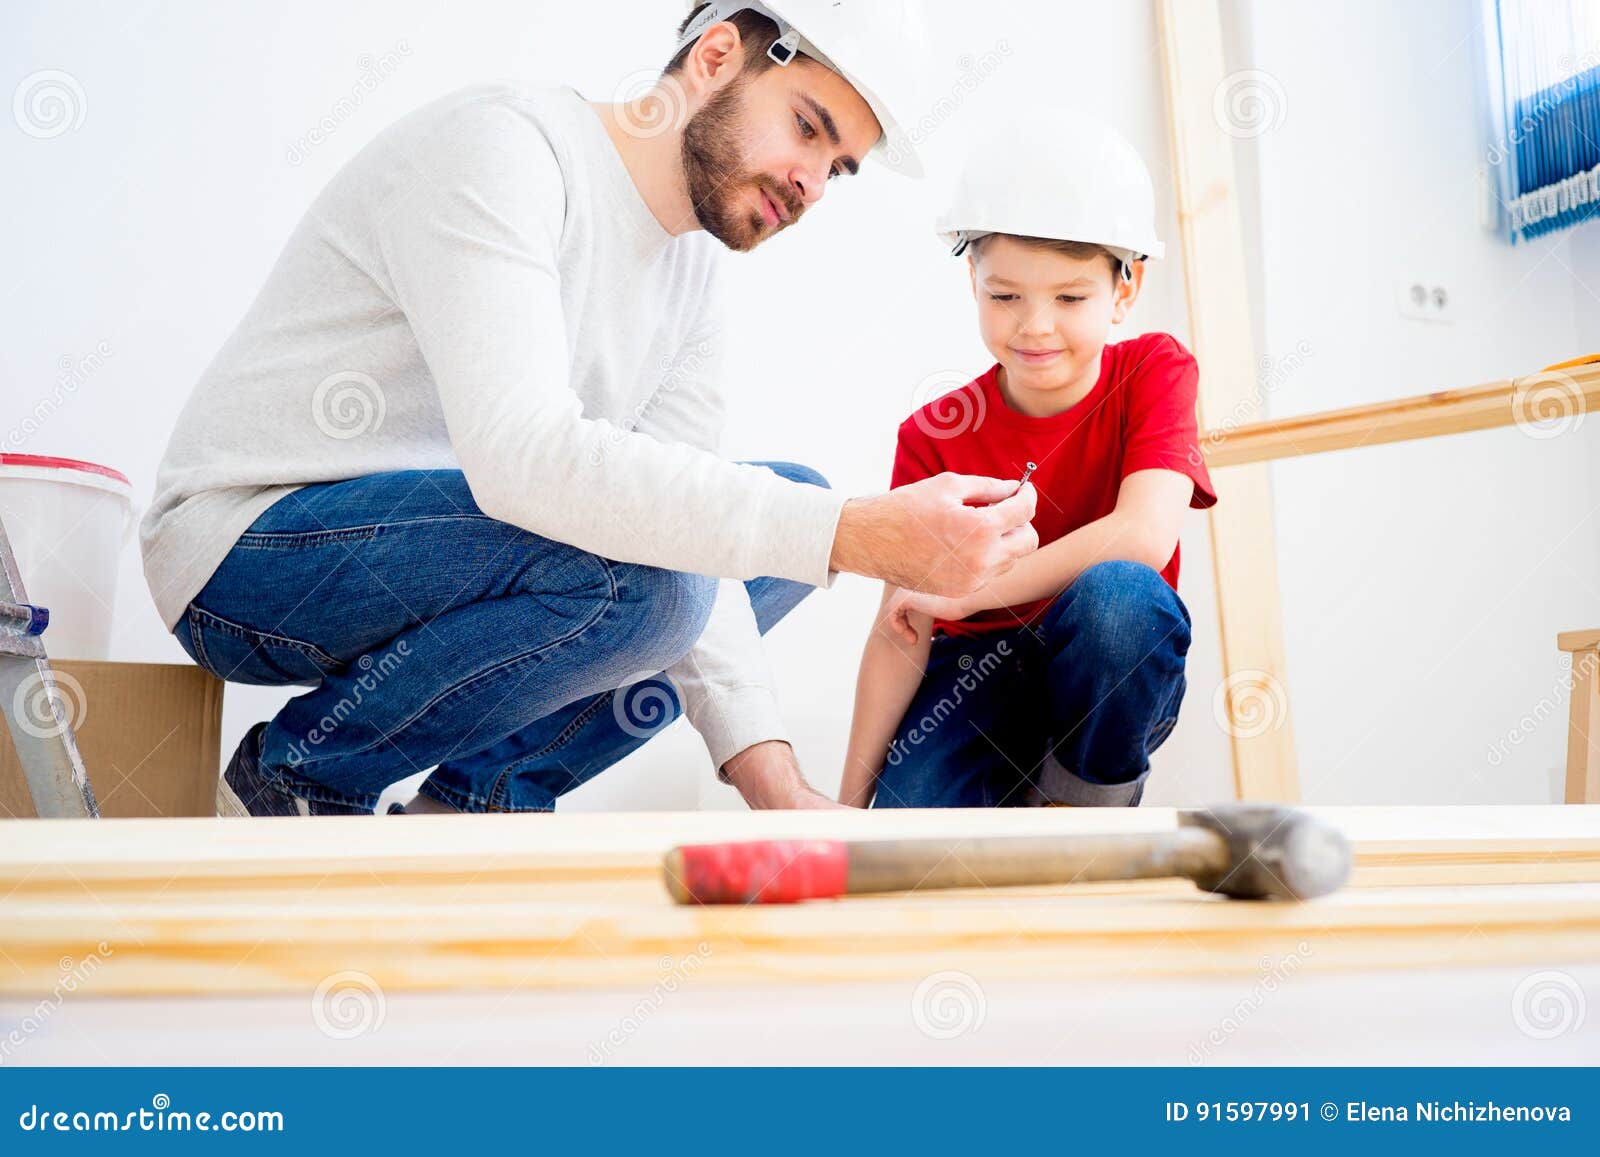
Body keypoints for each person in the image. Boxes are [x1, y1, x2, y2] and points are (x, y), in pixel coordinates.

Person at [141, 1, 1039, 817]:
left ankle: (471, 805)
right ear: (718, 55)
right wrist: (852, 532)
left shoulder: (692, 279)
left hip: (432, 551)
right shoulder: (508, 148)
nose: (811, 180)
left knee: (768, 525)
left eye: (837, 169)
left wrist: (784, 796)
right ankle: (300, 778)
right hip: (246, 553)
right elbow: (523, 456)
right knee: (694, 562)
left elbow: (699, 547)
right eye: (808, 126)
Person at [840, 110, 1217, 810]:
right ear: (973, 286)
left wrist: (967, 588)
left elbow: (1144, 535)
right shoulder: (932, 434)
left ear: (1124, 290)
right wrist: (847, 807)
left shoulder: (1154, 371)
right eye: (1004, 296)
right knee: (906, 842)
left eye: (1070, 297)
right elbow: (902, 627)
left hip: (1106, 664)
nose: (1034, 324)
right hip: (967, 681)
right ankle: (1001, 795)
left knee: (1120, 599)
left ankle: (1077, 808)